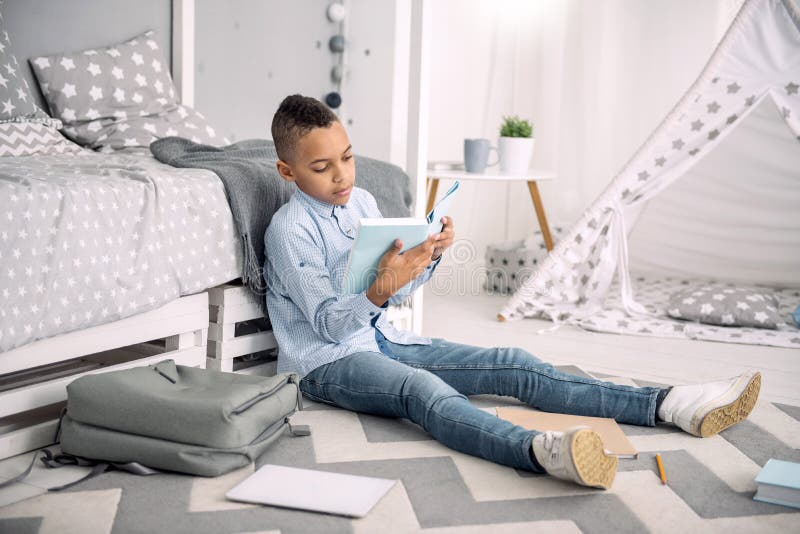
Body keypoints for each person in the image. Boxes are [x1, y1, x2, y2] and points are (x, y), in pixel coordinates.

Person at [263, 94, 761, 489]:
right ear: (289, 171)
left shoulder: (363, 201)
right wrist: (379, 290)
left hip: (381, 336)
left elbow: (396, 294)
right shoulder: (289, 231)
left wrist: (426, 257)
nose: (342, 175)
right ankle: (539, 451)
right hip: (324, 363)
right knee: (422, 392)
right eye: (322, 167)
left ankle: (669, 404)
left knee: (514, 361)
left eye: (347, 158)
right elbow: (328, 323)